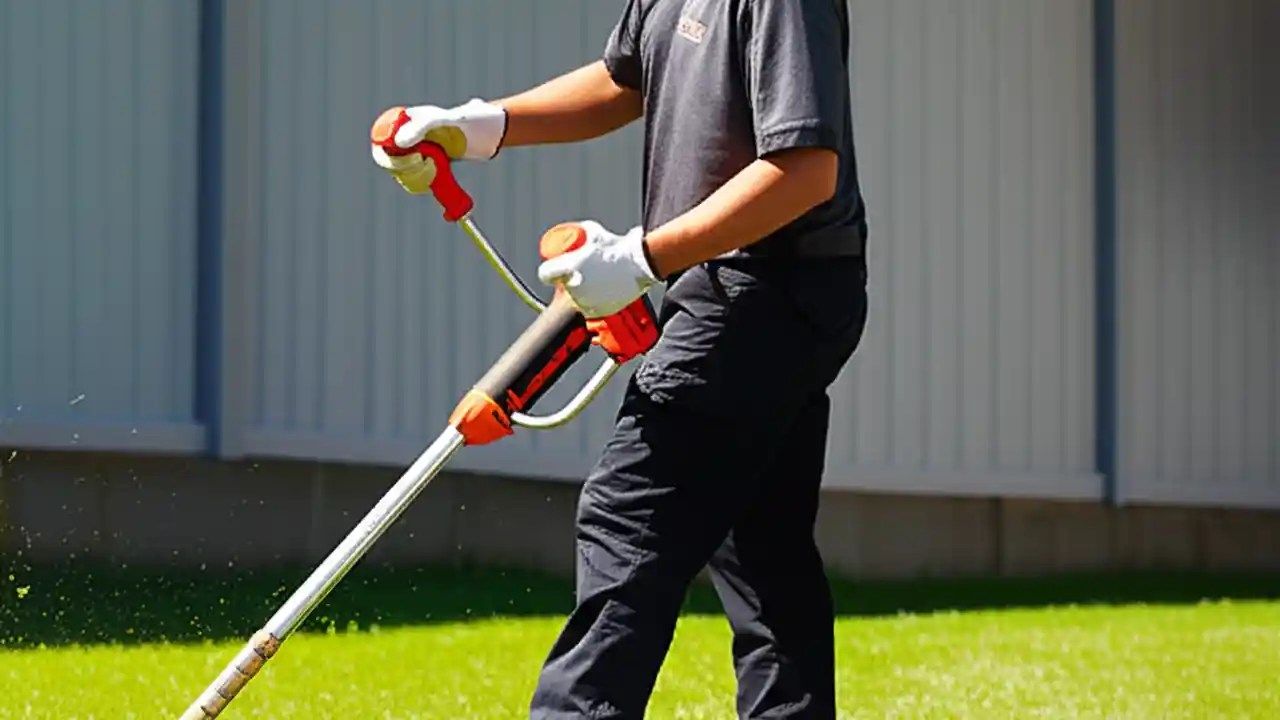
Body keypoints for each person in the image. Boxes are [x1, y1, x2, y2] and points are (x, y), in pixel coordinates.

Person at [372, 1, 869, 716]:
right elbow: (622, 81)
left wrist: (642, 257)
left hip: (767, 287)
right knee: (761, 547)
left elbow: (805, 168)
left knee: (630, 515)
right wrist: (473, 127)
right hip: (744, 286)